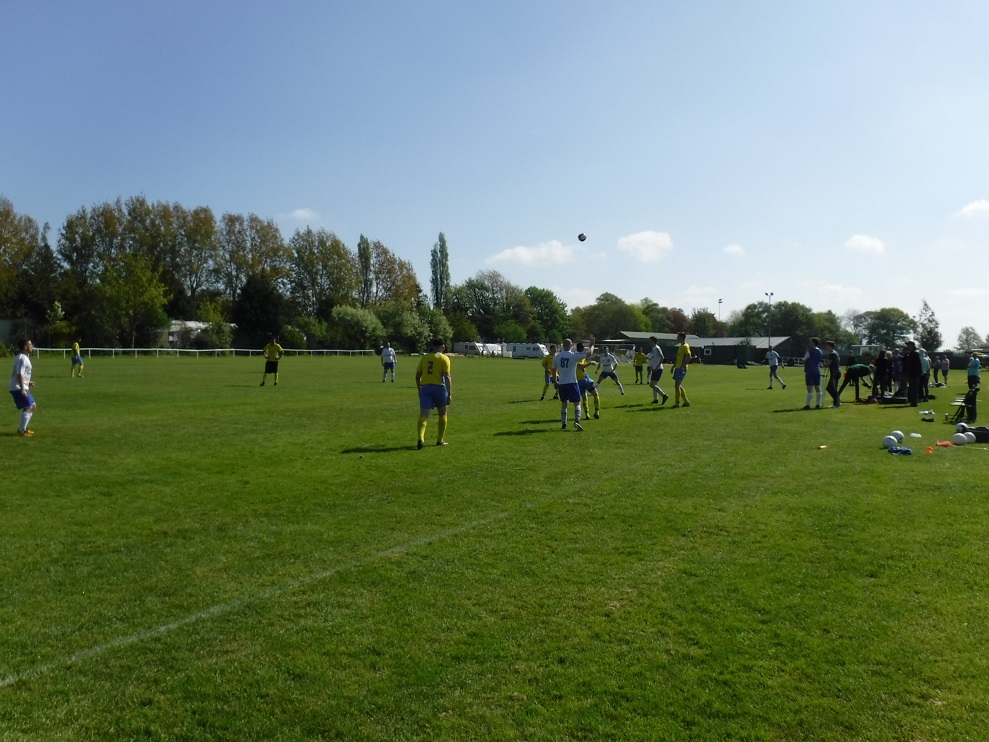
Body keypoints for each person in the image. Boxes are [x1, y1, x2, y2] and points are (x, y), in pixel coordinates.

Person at [415, 338, 452, 448]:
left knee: (424, 415)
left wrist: (419, 389)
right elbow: (447, 376)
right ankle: (440, 440)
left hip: (425, 388)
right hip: (439, 389)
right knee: (442, 414)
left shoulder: (425, 358)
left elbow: (417, 376)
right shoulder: (444, 358)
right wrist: (449, 393)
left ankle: (420, 438)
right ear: (443, 347)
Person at [553, 338, 594, 430]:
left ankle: (564, 423)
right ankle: (577, 421)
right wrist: (592, 345)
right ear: (571, 346)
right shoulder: (573, 355)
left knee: (564, 403)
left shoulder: (557, 356)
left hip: (562, 383)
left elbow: (553, 370)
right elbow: (589, 354)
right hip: (572, 382)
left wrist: (555, 381)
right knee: (577, 403)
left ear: (563, 345)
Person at [9, 338, 37, 437]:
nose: (32, 346)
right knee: (29, 407)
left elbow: (21, 374)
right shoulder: (22, 358)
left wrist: (27, 382)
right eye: (30, 344)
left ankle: (23, 429)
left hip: (21, 386)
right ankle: (21, 431)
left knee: (32, 406)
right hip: (17, 387)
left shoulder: (24, 357)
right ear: (25, 346)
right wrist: (22, 388)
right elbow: (19, 374)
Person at [576, 343, 601, 418]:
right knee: (595, 394)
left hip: (579, 380)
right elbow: (580, 366)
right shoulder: (577, 356)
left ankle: (587, 414)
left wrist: (592, 345)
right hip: (584, 380)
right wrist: (590, 363)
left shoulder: (577, 355)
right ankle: (596, 412)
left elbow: (590, 353)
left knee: (585, 398)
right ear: (582, 349)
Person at [646, 336, 669, 405]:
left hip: (658, 369)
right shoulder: (653, 349)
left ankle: (664, 395)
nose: (649, 342)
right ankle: (656, 399)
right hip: (655, 369)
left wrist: (657, 367)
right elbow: (652, 359)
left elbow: (662, 358)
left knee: (652, 385)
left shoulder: (657, 348)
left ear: (653, 341)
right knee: (654, 385)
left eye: (650, 340)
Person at [802, 337, 824, 410]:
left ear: (814, 342)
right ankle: (818, 404)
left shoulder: (810, 351)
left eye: (810, 342)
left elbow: (804, 359)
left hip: (810, 370)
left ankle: (808, 405)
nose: (809, 343)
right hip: (817, 370)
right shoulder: (820, 351)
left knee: (810, 388)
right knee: (817, 387)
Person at [672, 331, 691, 407]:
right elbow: (679, 358)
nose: (677, 338)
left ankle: (677, 403)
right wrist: (673, 366)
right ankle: (686, 401)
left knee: (677, 386)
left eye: (678, 337)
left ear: (682, 337)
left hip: (681, 368)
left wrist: (683, 366)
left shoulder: (685, 346)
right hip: (678, 368)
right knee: (678, 385)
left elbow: (688, 357)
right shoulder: (680, 346)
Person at [903, 341, 922, 406]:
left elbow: (918, 364)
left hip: (915, 373)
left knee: (914, 388)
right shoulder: (910, 354)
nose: (908, 347)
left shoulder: (915, 354)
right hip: (911, 373)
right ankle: (913, 401)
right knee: (911, 388)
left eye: (909, 345)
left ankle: (915, 402)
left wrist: (918, 373)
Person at [824, 341, 841, 407]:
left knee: (829, 388)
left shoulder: (832, 354)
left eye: (827, 345)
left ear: (830, 346)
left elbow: (828, 364)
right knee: (834, 388)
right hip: (837, 372)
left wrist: (823, 365)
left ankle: (837, 401)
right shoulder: (835, 352)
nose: (826, 347)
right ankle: (836, 403)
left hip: (835, 373)